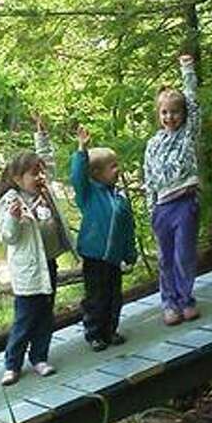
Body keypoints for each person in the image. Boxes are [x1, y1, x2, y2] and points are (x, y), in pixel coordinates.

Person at [0, 117, 75, 386]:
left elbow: (47, 162)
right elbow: (7, 237)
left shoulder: (44, 190)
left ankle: (39, 357)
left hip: (48, 263)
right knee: (25, 317)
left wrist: (42, 137)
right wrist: (13, 218)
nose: (40, 177)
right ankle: (12, 364)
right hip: (27, 271)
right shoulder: (10, 201)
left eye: (41, 173)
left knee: (46, 314)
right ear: (17, 179)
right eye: (33, 174)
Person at [143, 52, 201, 326]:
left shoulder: (187, 134)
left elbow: (193, 101)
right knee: (165, 258)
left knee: (184, 255)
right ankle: (169, 303)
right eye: (164, 112)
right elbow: (148, 178)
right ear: (159, 115)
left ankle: (186, 299)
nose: (169, 117)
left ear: (183, 114)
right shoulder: (153, 144)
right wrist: (151, 209)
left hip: (185, 203)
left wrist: (187, 69)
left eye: (175, 112)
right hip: (162, 207)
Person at [70, 125, 137, 352]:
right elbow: (78, 176)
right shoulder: (88, 195)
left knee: (114, 297)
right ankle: (94, 333)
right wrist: (82, 149)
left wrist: (130, 253)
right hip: (94, 257)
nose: (118, 169)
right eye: (113, 166)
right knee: (96, 297)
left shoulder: (120, 200)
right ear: (97, 173)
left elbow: (128, 229)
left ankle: (110, 330)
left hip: (113, 259)